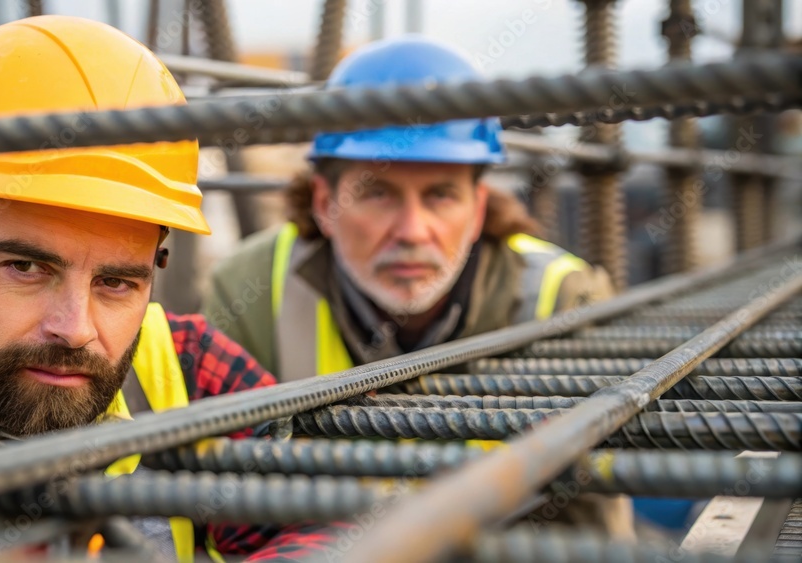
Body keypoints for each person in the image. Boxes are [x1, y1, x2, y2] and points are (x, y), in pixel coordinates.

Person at [0, 15, 322, 561]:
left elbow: (323, 520)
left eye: (115, 282)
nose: (75, 329)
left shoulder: (181, 365)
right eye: (25, 268)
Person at [202, 36, 630, 537]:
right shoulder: (249, 293)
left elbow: (586, 531)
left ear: (477, 210)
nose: (411, 230)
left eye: (441, 195)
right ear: (324, 203)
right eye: (378, 193)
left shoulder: (563, 300)